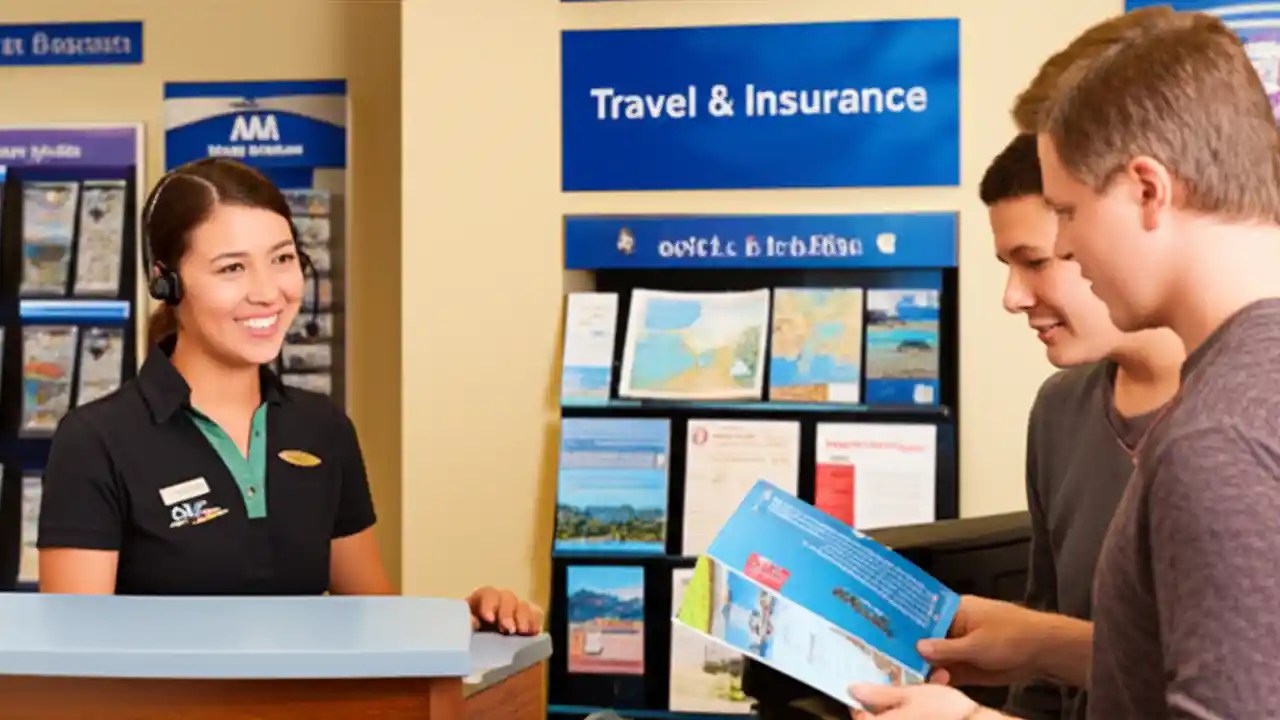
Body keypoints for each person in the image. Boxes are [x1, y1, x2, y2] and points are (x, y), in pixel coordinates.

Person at [850, 9, 1280, 719]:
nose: (1070, 247)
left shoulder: (1216, 439)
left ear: (1148, 190)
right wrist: (1050, 646)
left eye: (1068, 212)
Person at [36, 157, 542, 635]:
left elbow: (371, 620)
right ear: (165, 282)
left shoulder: (322, 428)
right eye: (232, 268)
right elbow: (76, 663)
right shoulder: (97, 440)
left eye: (282, 259)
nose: (268, 291)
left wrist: (466, 619)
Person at [980, 133, 1183, 720]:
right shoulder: (1059, 410)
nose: (1013, 297)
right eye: (1008, 266)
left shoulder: (1240, 416)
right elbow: (1047, 681)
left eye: (1036, 261)